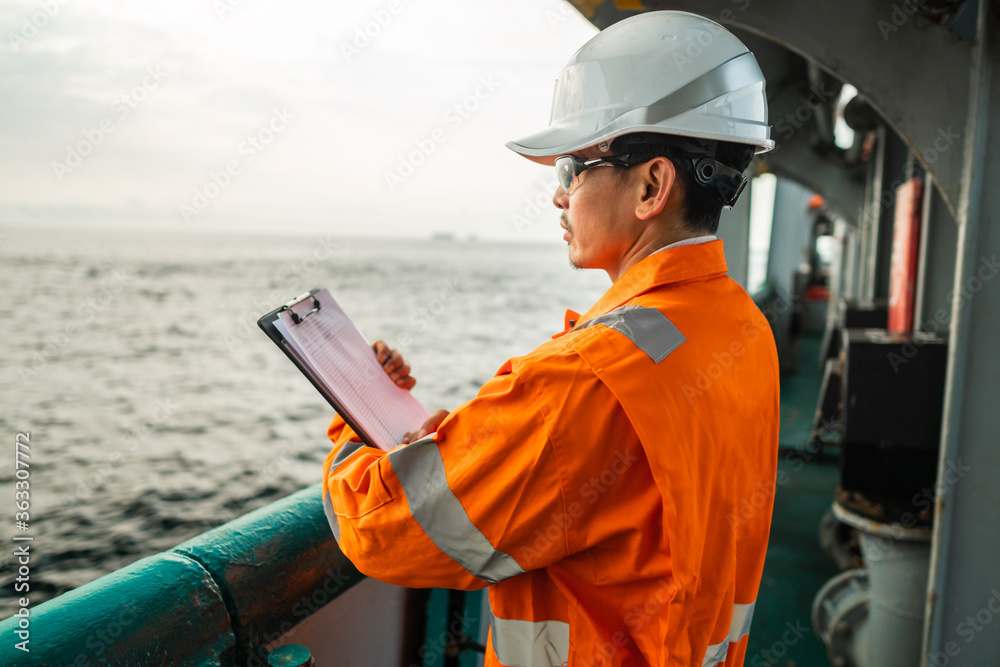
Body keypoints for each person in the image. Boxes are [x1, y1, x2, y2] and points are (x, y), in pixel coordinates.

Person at [322, 11, 780, 667]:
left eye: (572, 167)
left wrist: (352, 423)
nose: (559, 197)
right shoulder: (740, 326)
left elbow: (383, 530)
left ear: (651, 185)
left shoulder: (589, 377)